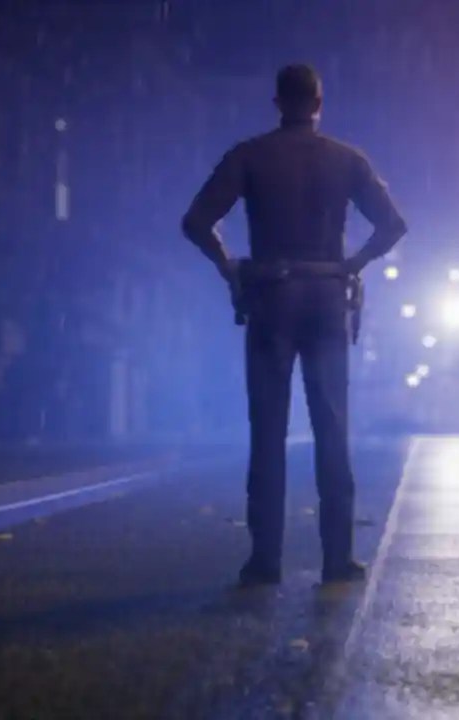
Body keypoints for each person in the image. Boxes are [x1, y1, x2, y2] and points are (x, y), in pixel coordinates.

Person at [181, 64, 407, 586]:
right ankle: (337, 558)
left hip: (271, 296)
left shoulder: (250, 156)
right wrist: (352, 265)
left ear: (278, 101)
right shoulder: (347, 160)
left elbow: (196, 221)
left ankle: (265, 560)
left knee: (268, 431)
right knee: (332, 428)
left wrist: (229, 265)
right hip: (327, 295)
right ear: (319, 102)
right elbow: (393, 225)